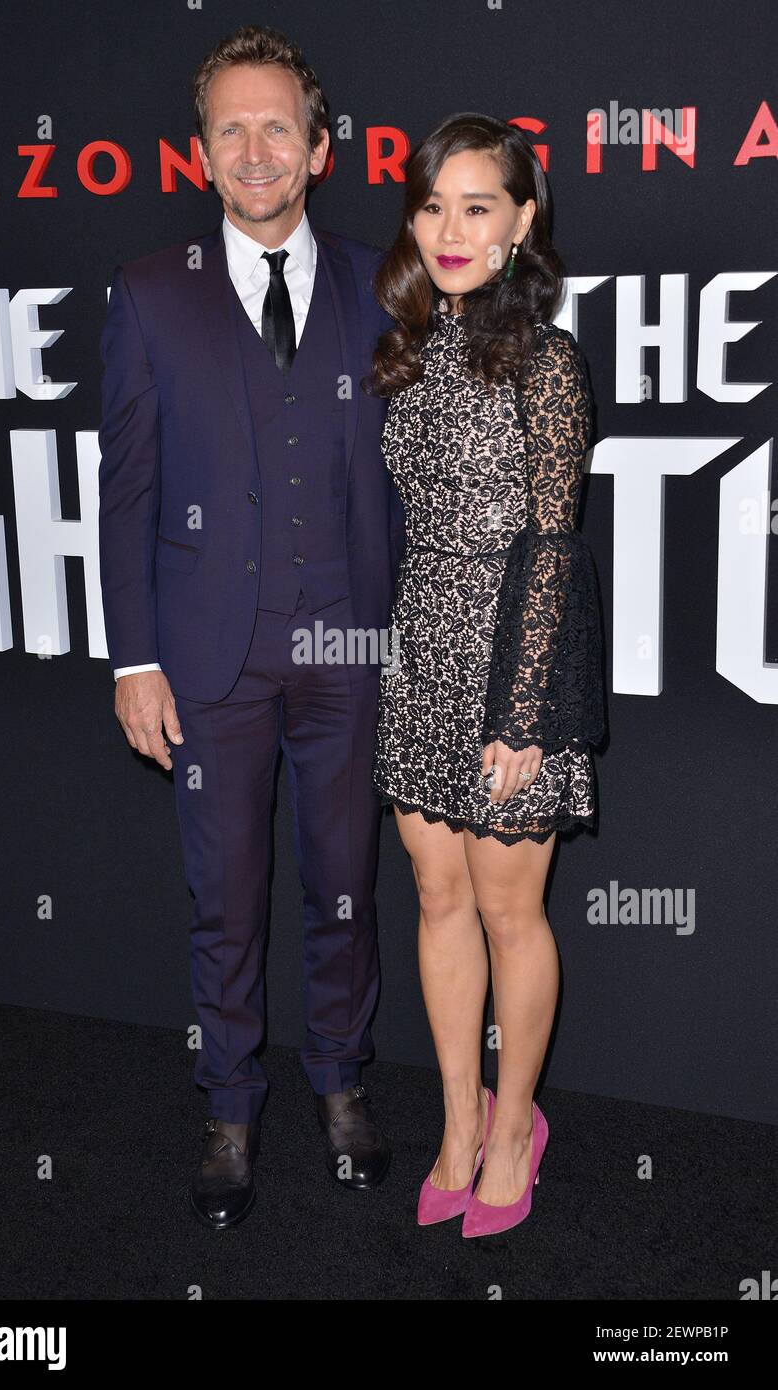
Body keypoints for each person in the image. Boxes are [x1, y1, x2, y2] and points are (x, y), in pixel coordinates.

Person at [97, 24, 406, 1229]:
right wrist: (133, 656)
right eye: (230, 126)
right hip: (207, 659)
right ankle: (229, 1103)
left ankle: (339, 1085)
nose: (255, 147)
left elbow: (407, 483)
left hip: (348, 654)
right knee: (223, 897)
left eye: (278, 123)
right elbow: (123, 490)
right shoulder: (149, 290)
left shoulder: (386, 286)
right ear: (199, 154)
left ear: (320, 147)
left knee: (344, 884)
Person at [369, 113, 605, 1236]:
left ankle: (516, 1123)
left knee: (513, 912)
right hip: (421, 649)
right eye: (432, 205)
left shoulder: (546, 362)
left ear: (520, 223)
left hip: (515, 657)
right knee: (432, 892)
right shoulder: (406, 348)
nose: (450, 228)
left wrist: (519, 714)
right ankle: (456, 1120)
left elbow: (554, 541)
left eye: (477, 205)